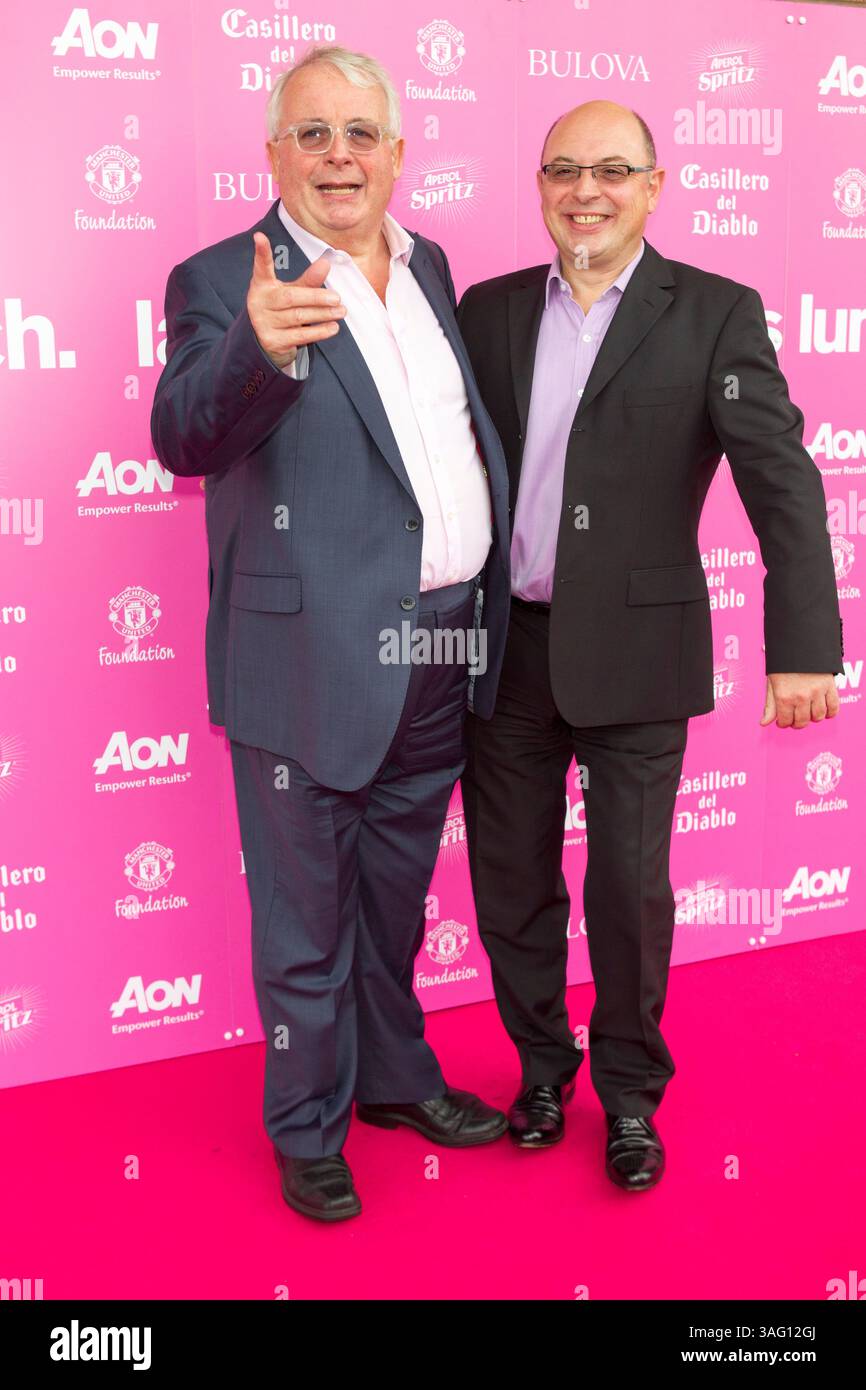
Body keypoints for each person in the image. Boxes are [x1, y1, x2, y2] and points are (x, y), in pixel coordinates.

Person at [150, 45, 513, 1223]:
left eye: (360, 133)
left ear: (398, 153)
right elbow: (182, 434)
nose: (339, 155)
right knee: (304, 916)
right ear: (274, 154)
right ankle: (306, 1123)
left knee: (396, 900)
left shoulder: (431, 266)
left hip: (440, 643)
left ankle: (394, 1081)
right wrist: (258, 346)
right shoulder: (222, 277)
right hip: (305, 661)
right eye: (312, 133)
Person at [456, 99, 843, 1192]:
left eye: (611, 169)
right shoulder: (484, 313)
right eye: (563, 168)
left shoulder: (714, 314)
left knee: (628, 893)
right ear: (538, 184)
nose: (586, 188)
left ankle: (628, 1097)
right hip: (504, 652)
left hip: (637, 654)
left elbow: (781, 482)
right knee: (510, 885)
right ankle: (542, 1069)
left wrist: (802, 644)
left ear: (654, 184)